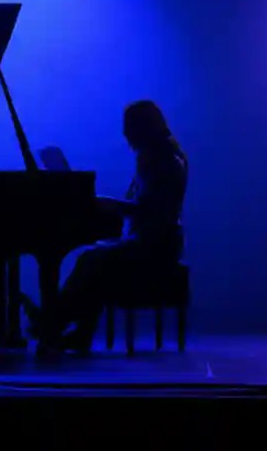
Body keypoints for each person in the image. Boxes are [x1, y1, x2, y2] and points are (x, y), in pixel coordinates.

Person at [29, 100, 187, 353]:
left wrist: (109, 204)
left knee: (93, 258)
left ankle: (52, 322)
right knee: (98, 261)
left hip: (159, 245)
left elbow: (151, 210)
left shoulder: (166, 162)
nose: (125, 134)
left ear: (142, 128)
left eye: (129, 127)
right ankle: (75, 331)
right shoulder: (159, 158)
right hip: (154, 241)